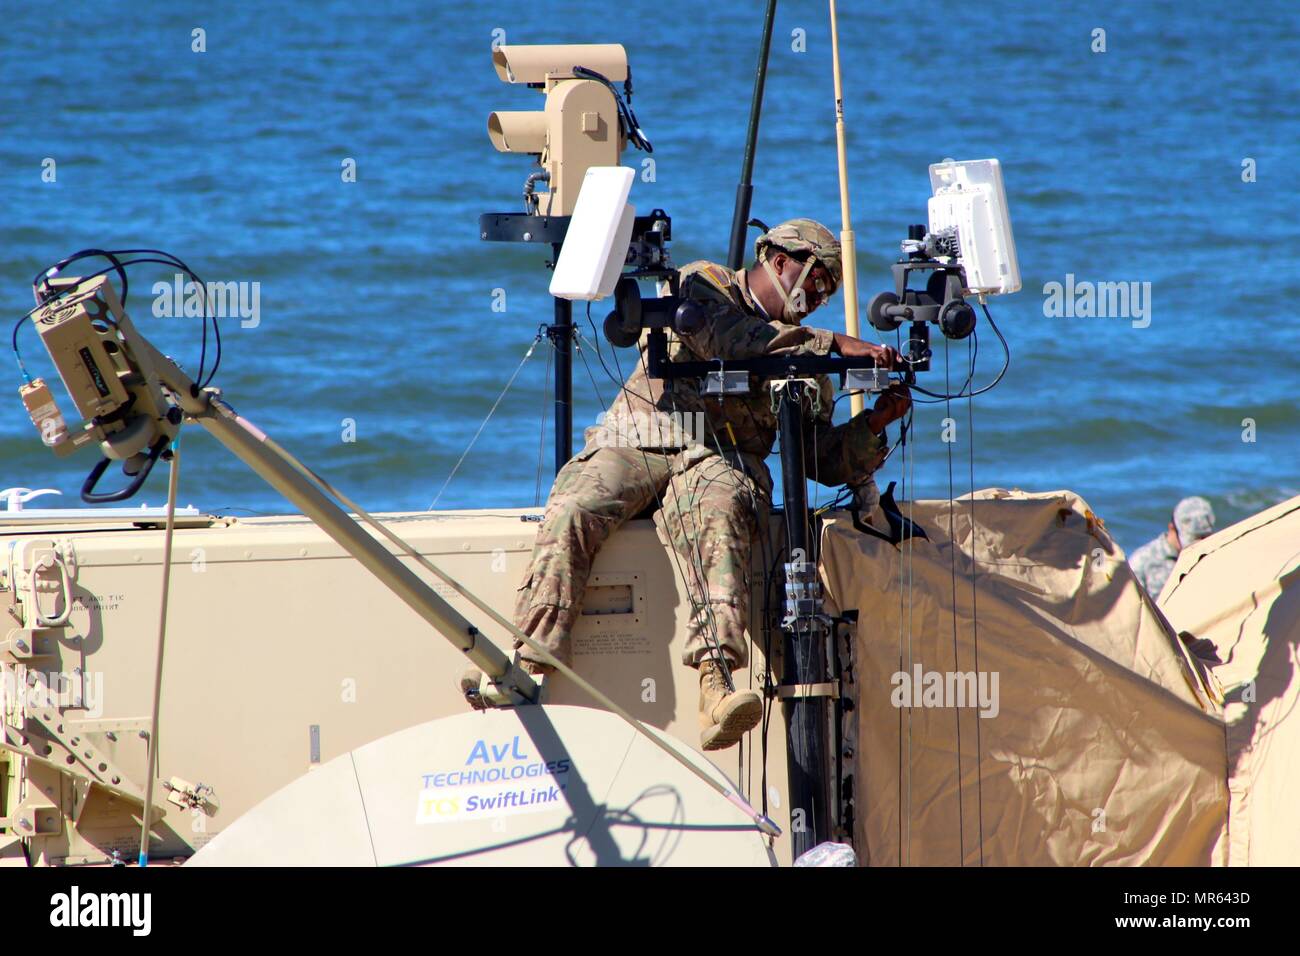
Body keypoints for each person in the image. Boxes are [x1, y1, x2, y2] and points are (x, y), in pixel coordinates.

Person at [512, 219, 911, 750]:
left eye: (827, 293)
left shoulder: (807, 365)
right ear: (779, 259)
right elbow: (734, 340)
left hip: (719, 460)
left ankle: (715, 684)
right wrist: (836, 343)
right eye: (816, 281)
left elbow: (820, 458)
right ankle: (528, 661)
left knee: (722, 518)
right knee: (576, 504)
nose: (817, 298)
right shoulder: (704, 285)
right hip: (643, 434)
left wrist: (875, 423)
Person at [1129, 495, 1217, 597]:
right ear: (1172, 528)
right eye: (1193, 539)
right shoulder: (1142, 562)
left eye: (1205, 537)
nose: (1200, 545)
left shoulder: (1212, 556)